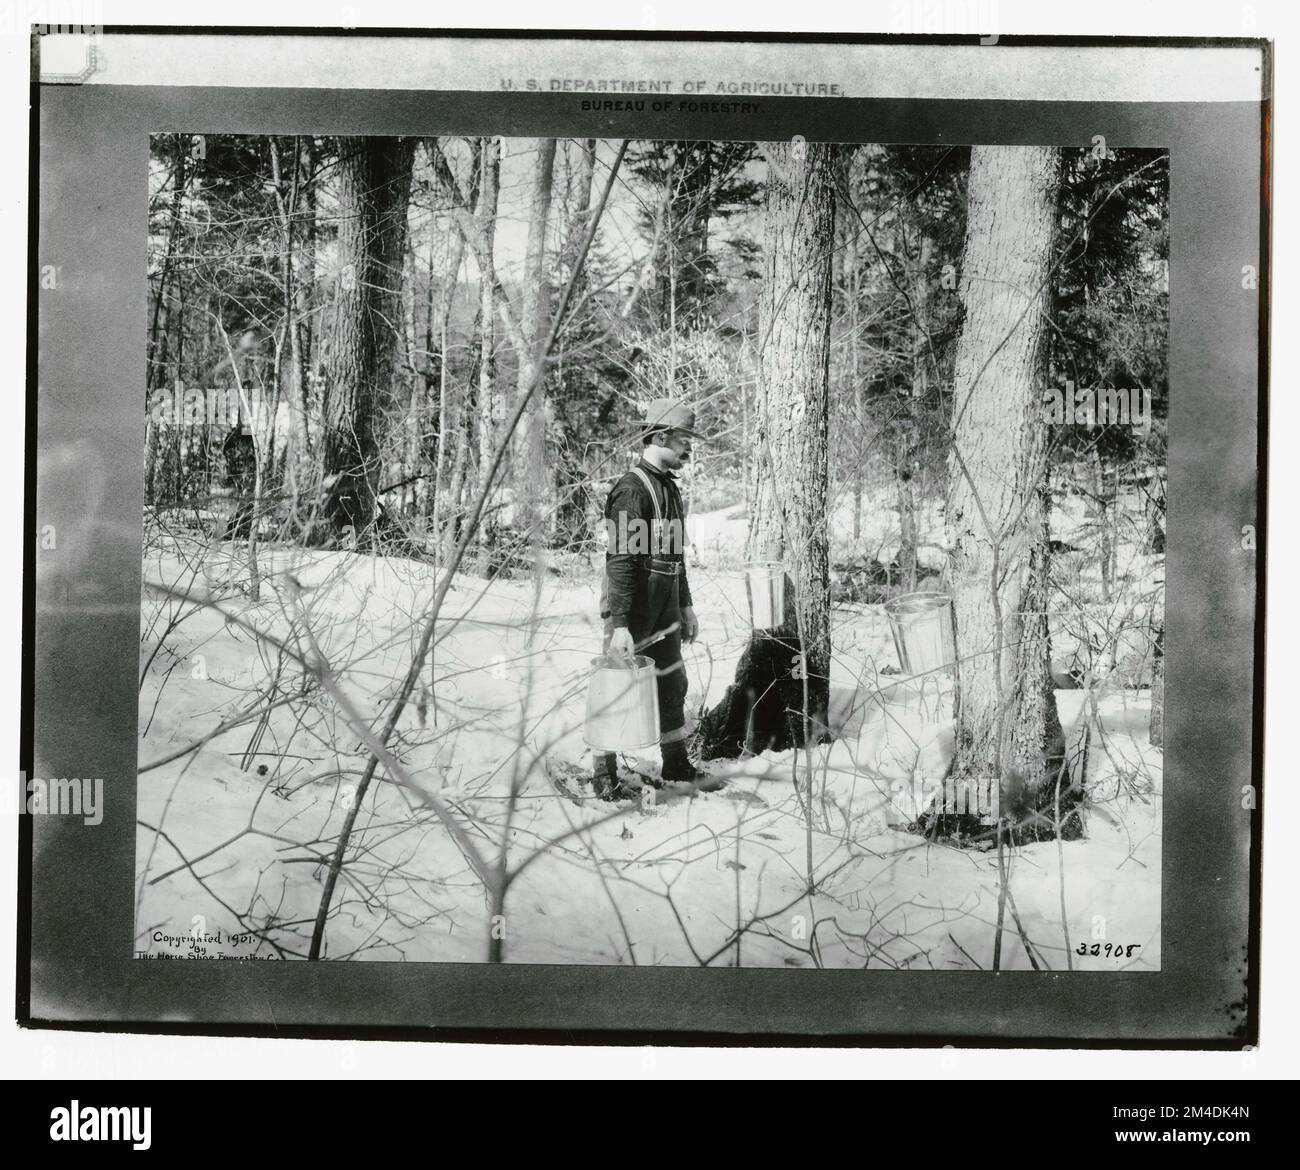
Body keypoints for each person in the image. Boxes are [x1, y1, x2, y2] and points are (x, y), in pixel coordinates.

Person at [598, 399, 706, 793]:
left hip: (666, 609)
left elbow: (675, 556)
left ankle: (676, 765)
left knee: (673, 683)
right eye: (683, 440)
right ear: (660, 436)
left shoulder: (669, 490)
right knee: (616, 685)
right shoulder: (631, 490)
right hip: (633, 608)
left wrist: (686, 606)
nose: (688, 449)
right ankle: (604, 776)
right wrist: (622, 625)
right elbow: (621, 559)